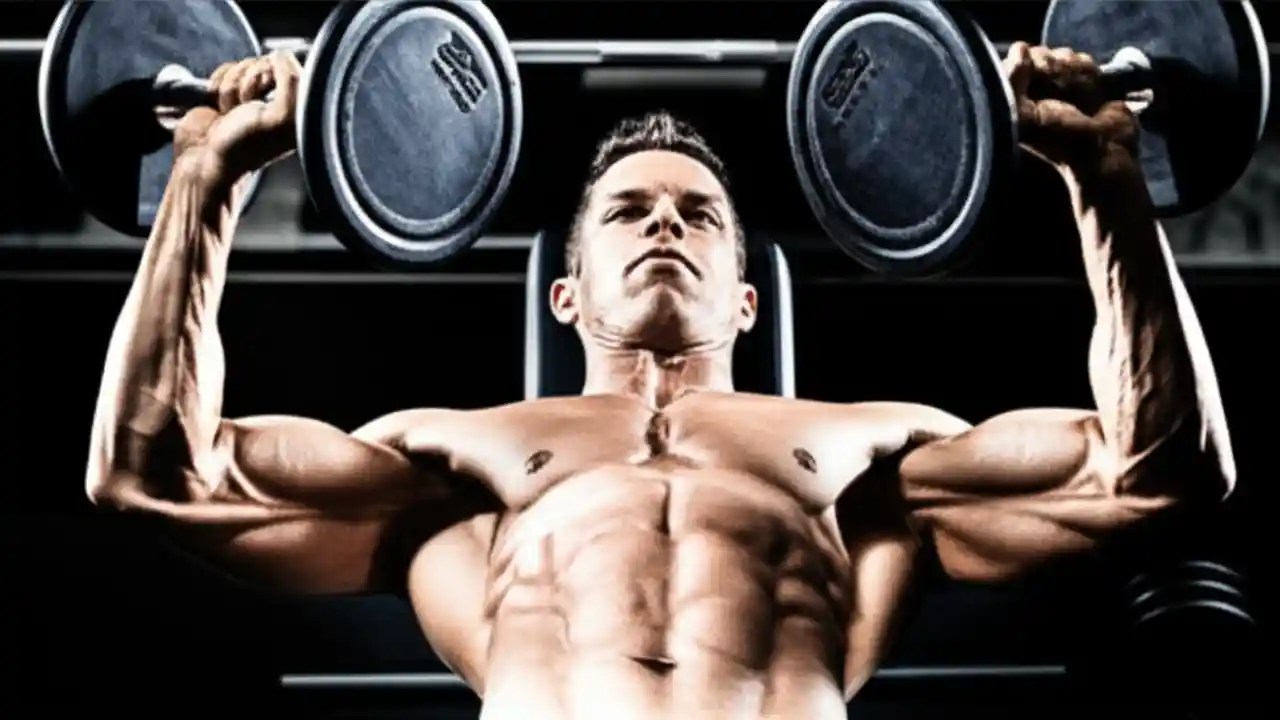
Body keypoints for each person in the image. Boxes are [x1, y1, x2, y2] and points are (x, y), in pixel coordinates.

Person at [84, 41, 1235, 719]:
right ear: (565, 291)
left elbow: (1160, 471)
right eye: (627, 210)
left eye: (700, 215)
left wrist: (1104, 182)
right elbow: (153, 475)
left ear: (747, 294)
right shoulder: (449, 461)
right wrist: (204, 178)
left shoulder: (870, 453)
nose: (664, 224)